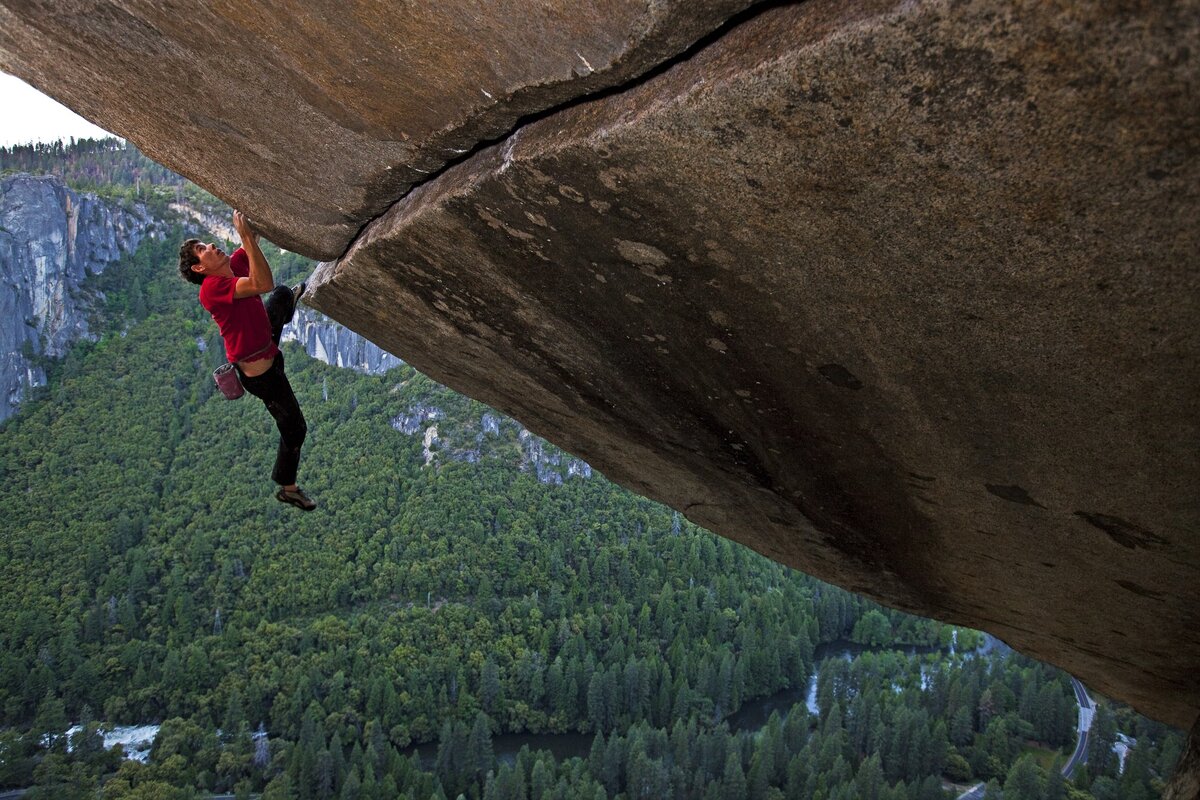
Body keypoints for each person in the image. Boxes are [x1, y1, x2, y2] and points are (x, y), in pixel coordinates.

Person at [178, 210, 316, 510]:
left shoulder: (231, 266)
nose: (211, 246)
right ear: (200, 268)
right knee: (295, 429)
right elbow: (261, 282)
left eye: (205, 243)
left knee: (280, 296)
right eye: (202, 250)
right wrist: (243, 237)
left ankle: (286, 307)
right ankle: (288, 488)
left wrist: (249, 225)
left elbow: (253, 240)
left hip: (266, 342)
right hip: (262, 375)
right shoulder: (211, 290)